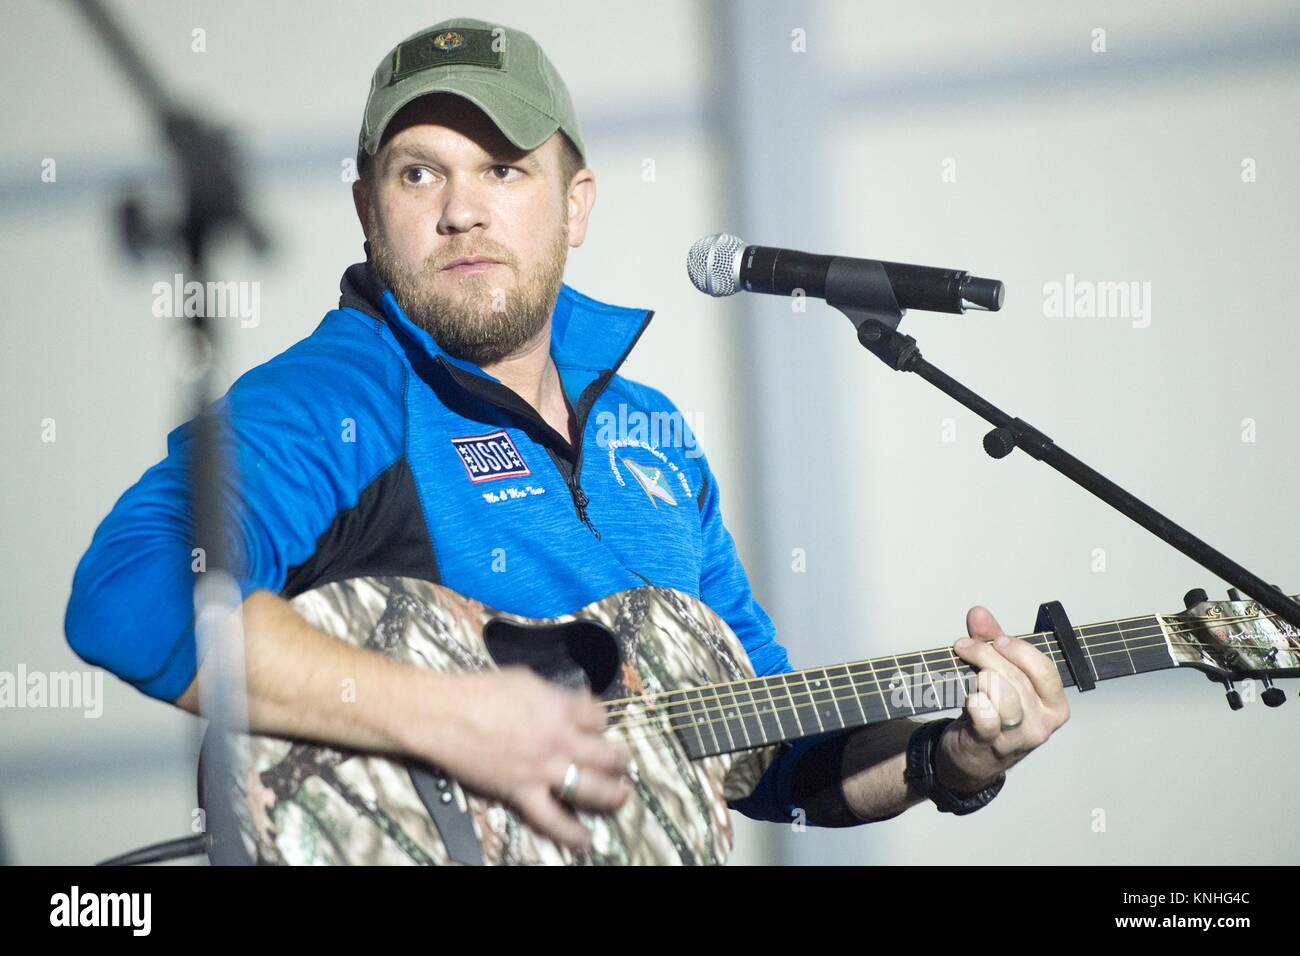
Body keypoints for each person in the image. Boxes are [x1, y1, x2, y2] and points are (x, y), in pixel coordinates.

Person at [64, 17, 1068, 857]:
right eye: (418, 173)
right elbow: (129, 596)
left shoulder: (652, 435)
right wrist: (445, 714)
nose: (461, 211)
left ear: (574, 204)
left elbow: (766, 749)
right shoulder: (335, 398)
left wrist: (949, 759)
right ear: (367, 209)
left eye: (503, 168)